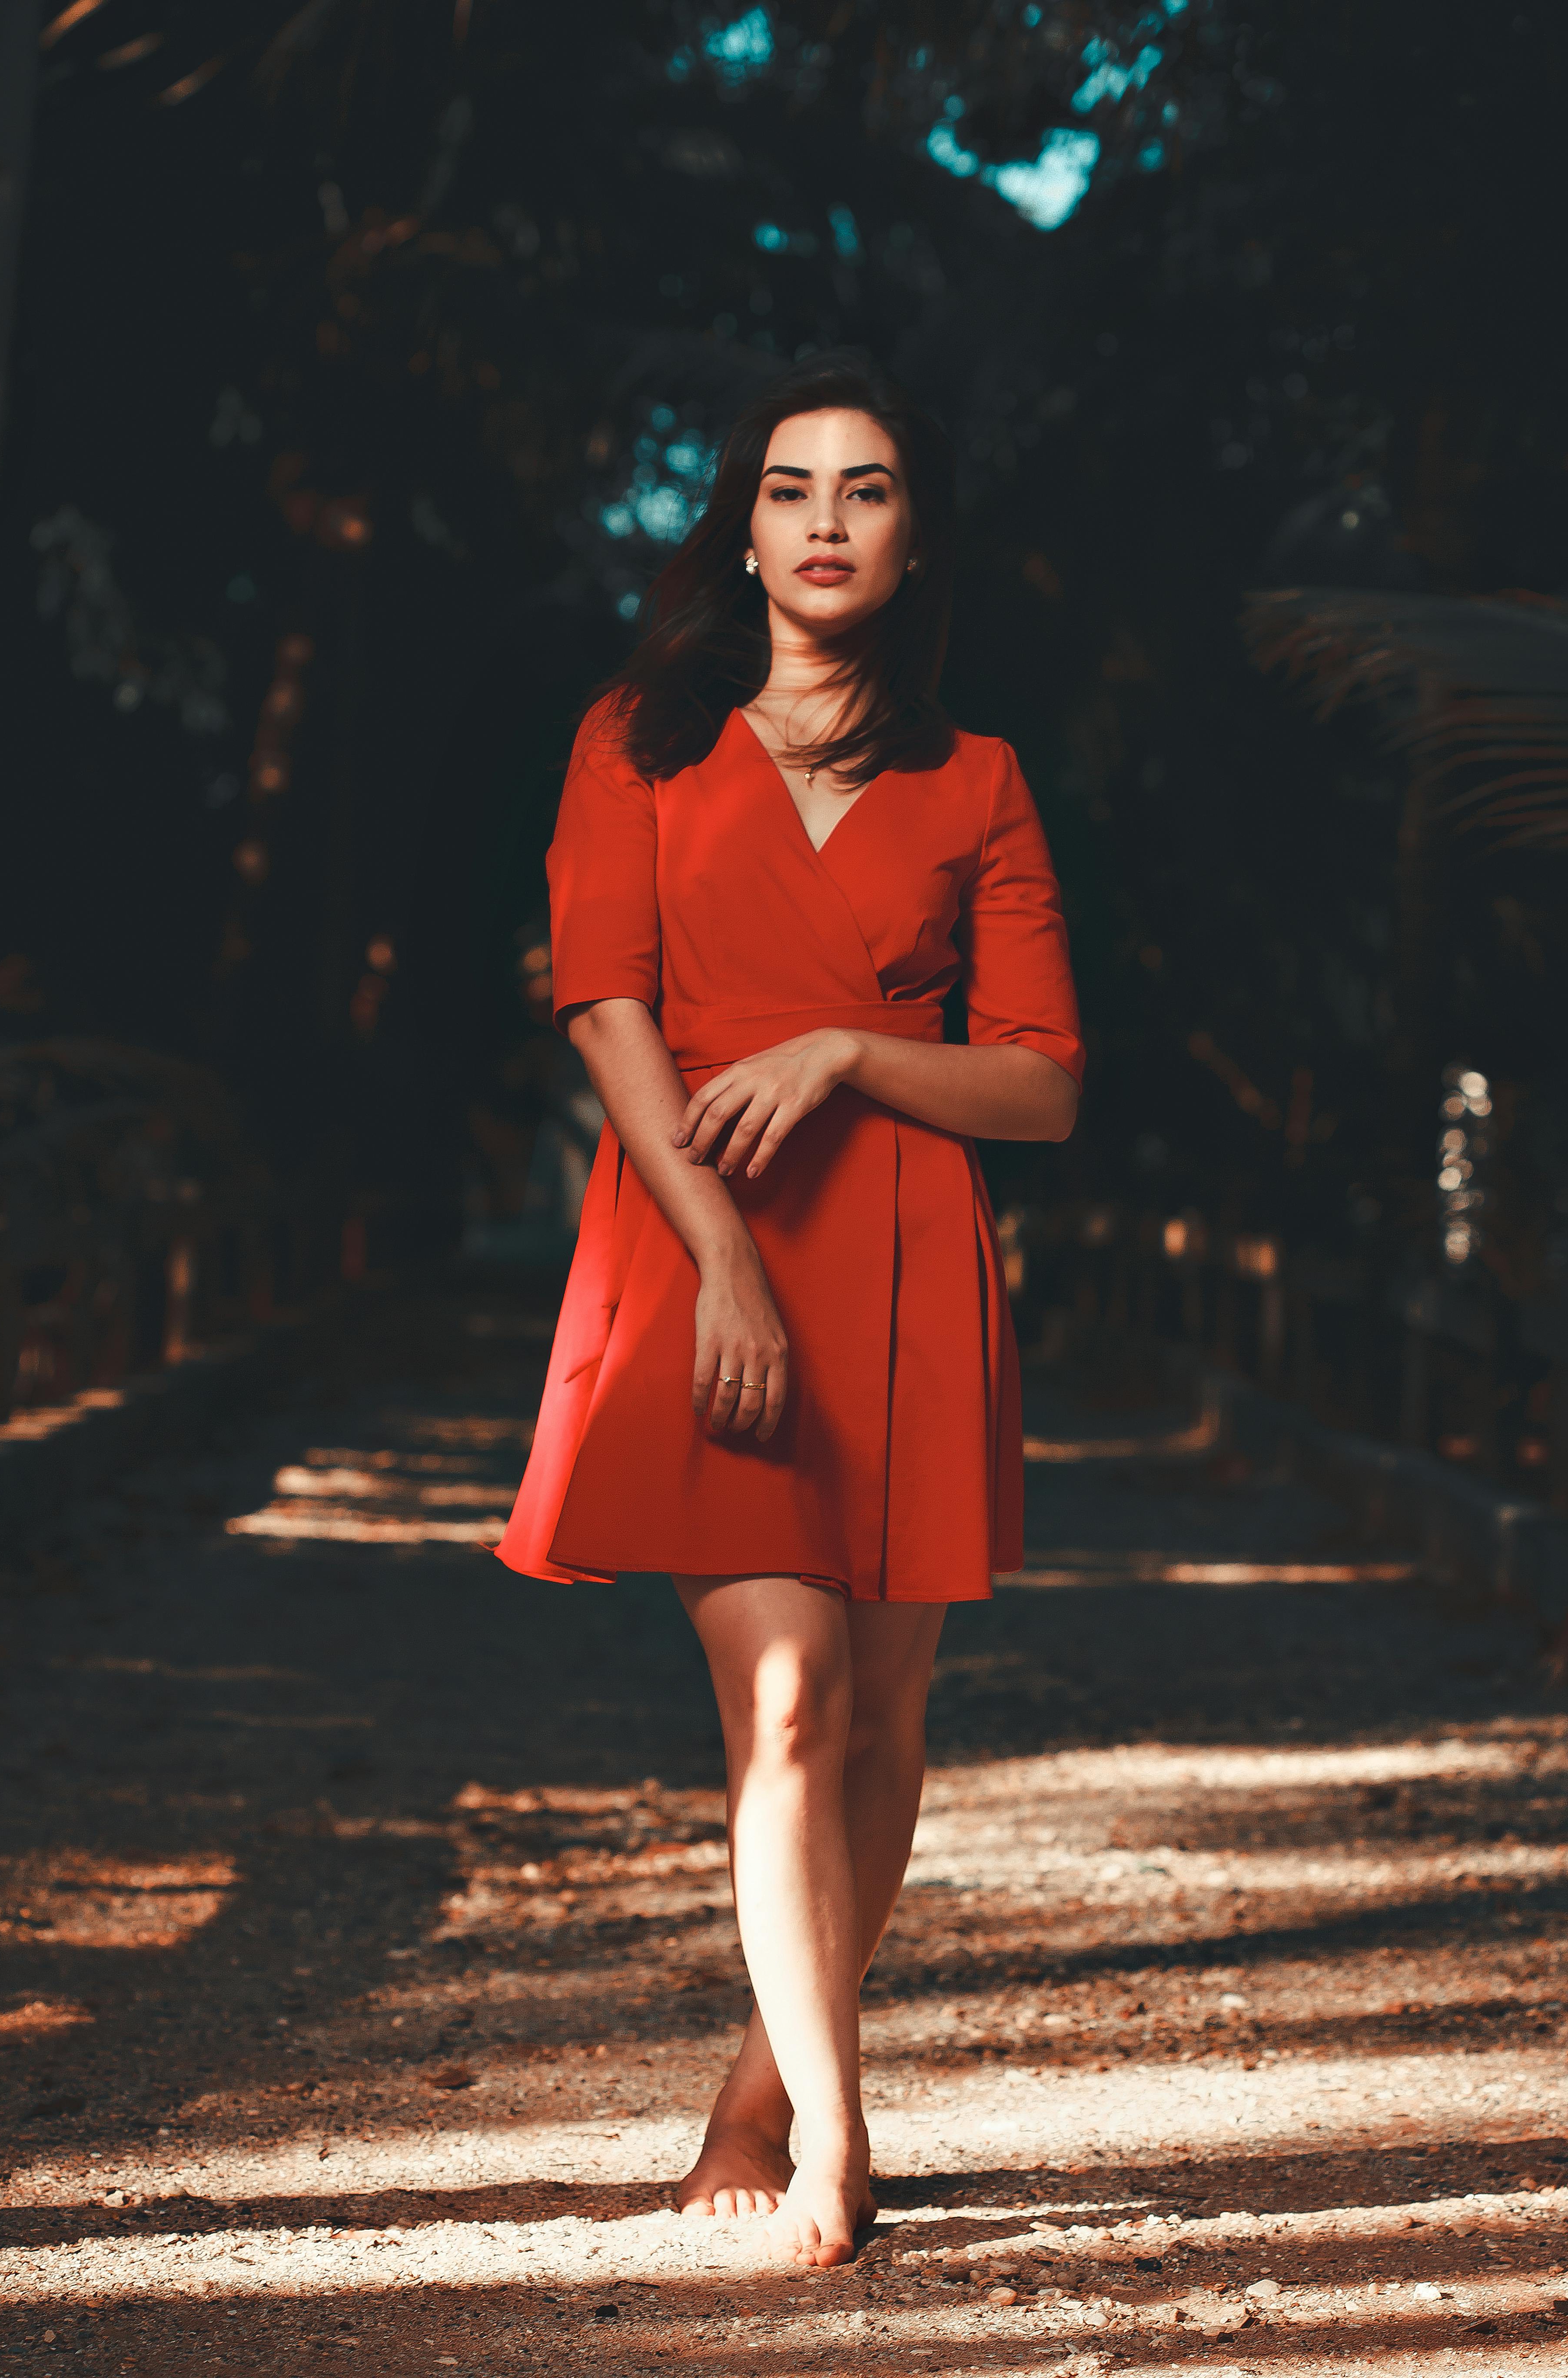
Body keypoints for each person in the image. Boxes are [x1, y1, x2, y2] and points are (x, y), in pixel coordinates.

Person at [495, 356, 1082, 2267]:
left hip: (908, 1261)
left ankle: (759, 2082)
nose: (827, 518)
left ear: (915, 544)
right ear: (741, 534)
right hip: (699, 1248)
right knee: (790, 1691)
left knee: (888, 1715)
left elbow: (1044, 1085)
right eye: (789, 487)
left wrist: (847, 1049)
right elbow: (607, 1005)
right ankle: (839, 2143)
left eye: (871, 489)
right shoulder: (635, 742)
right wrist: (726, 1255)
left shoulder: (976, 781)